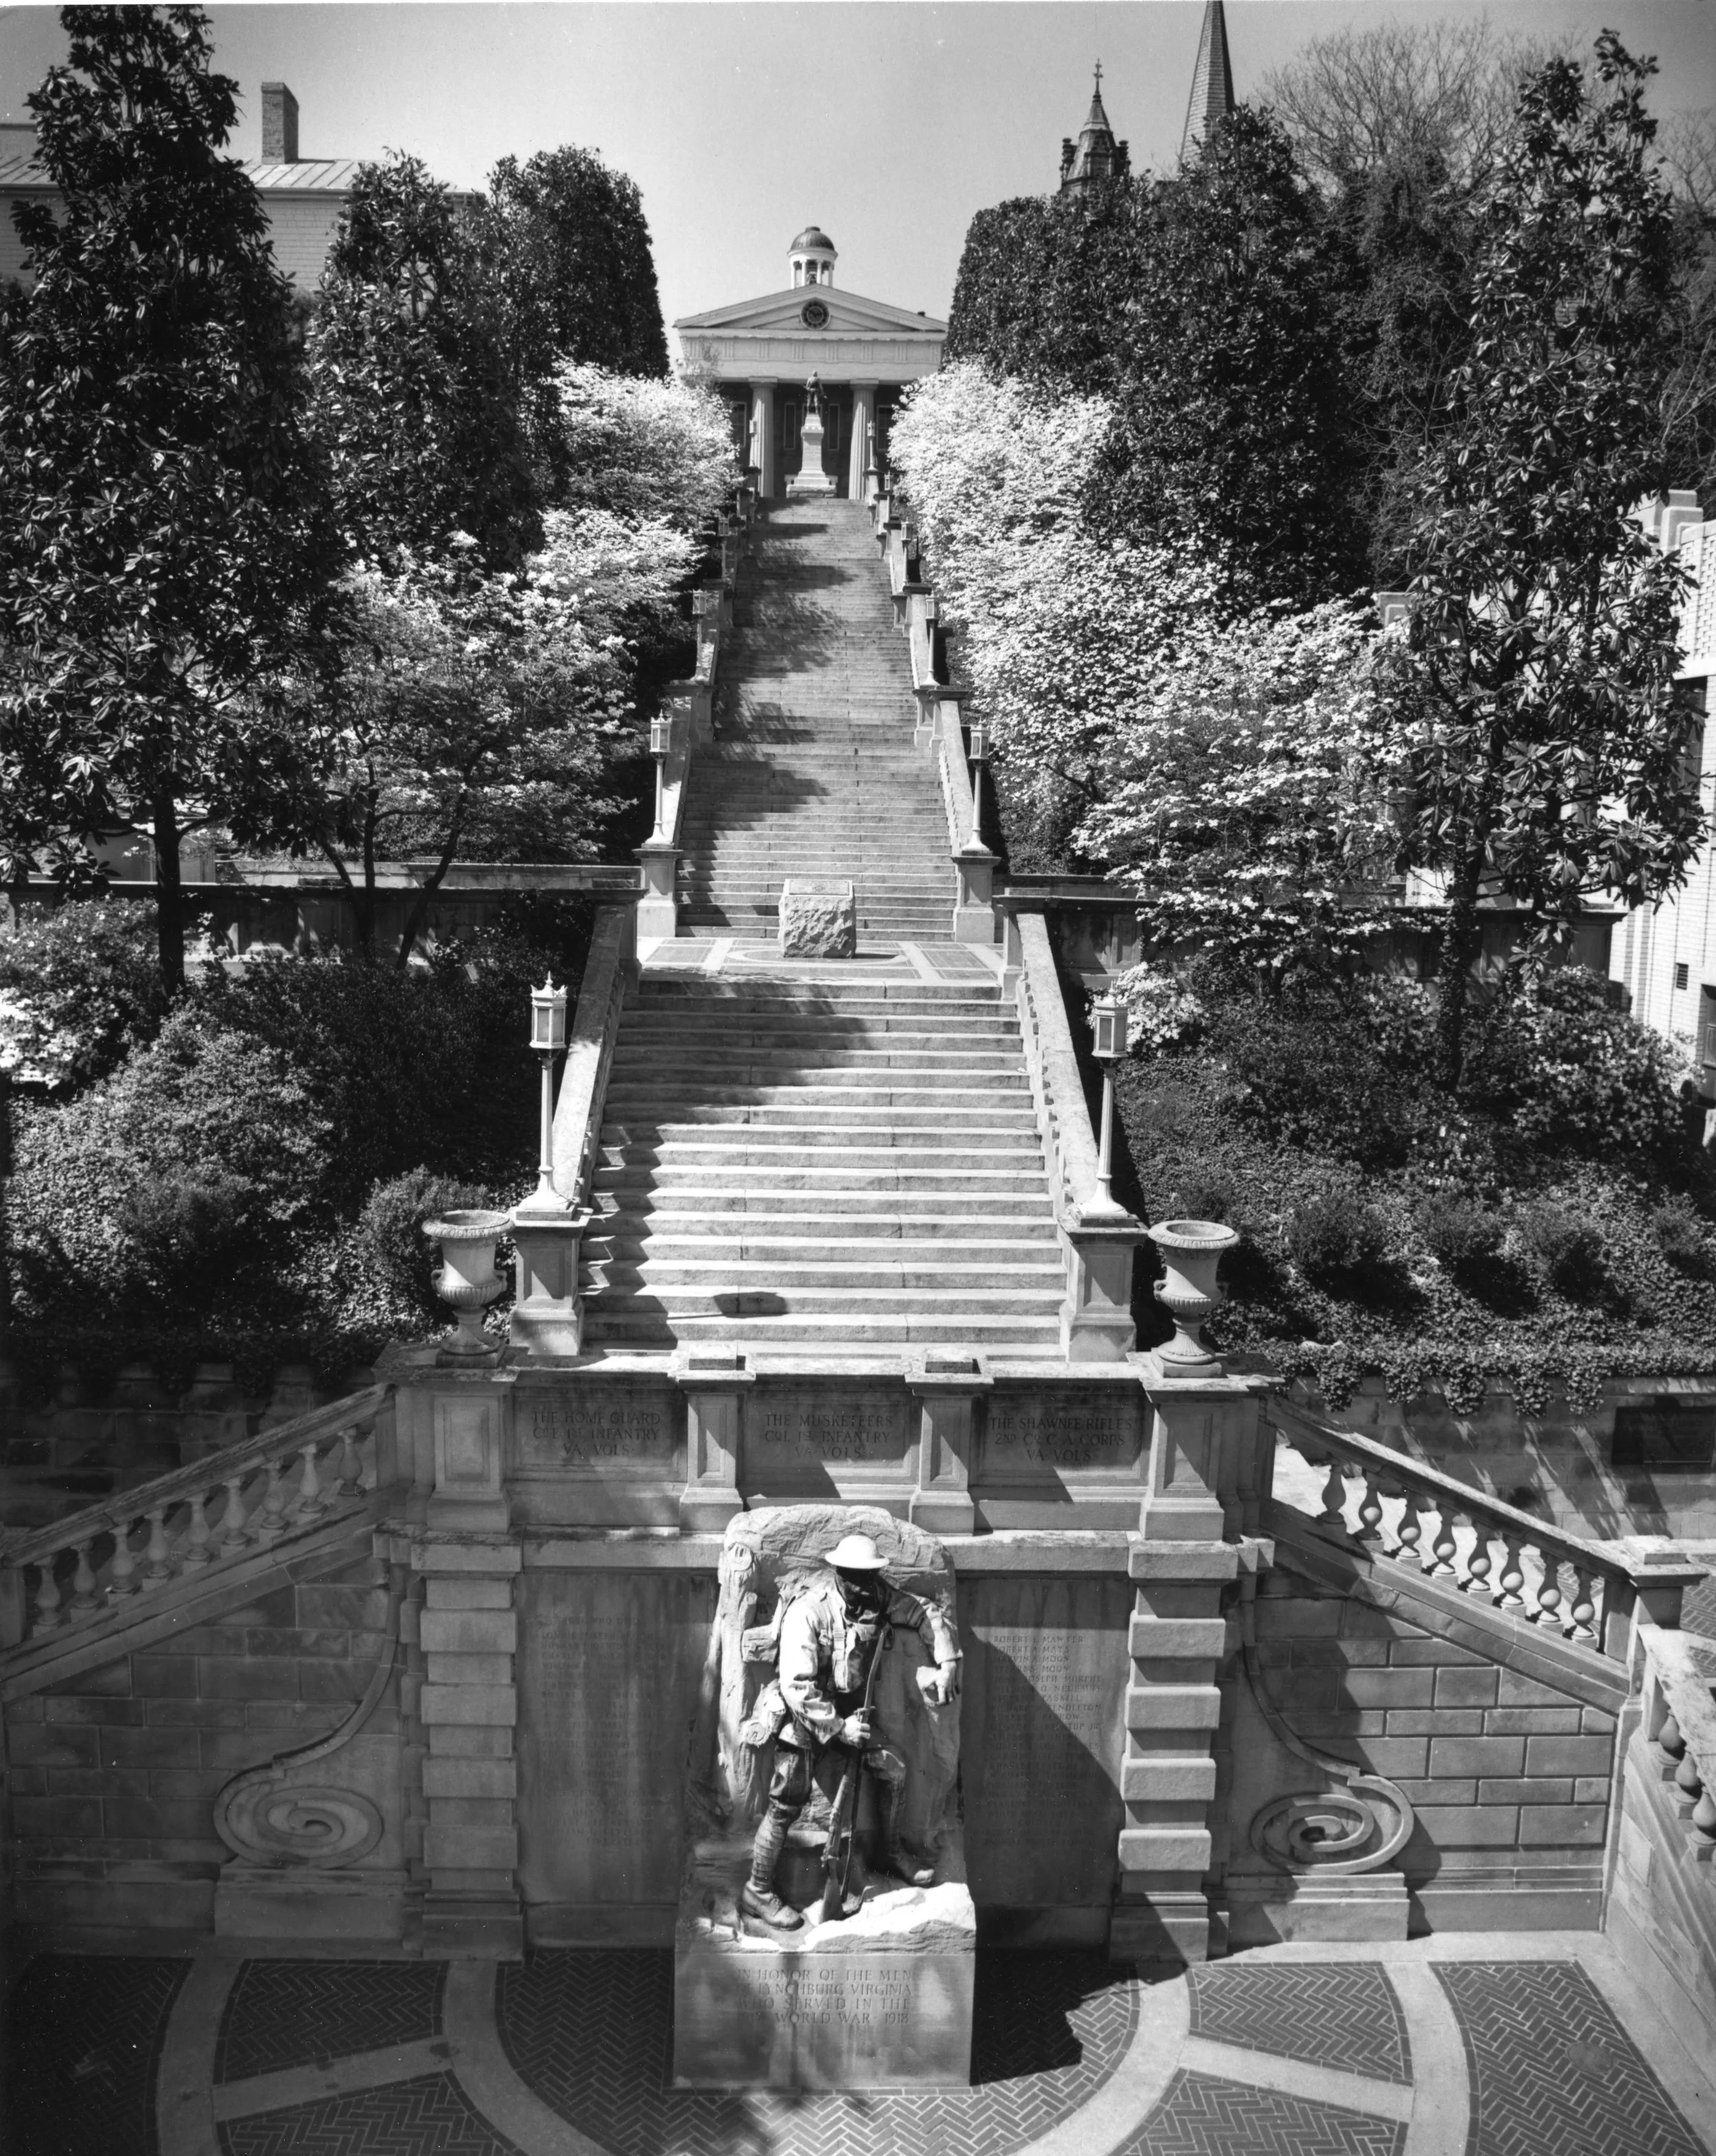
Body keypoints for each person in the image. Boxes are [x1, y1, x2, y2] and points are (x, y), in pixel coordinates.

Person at [741, 1532, 961, 1932]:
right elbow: (796, 1686)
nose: (865, 1587)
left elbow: (925, 1613)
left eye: (871, 1577)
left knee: (893, 1770)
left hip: (852, 1717)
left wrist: (947, 1663)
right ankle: (757, 1890)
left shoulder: (878, 1596)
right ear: (838, 1574)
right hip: (805, 1719)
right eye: (855, 1578)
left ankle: (889, 1853)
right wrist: (840, 1729)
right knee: (786, 1801)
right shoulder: (809, 1612)